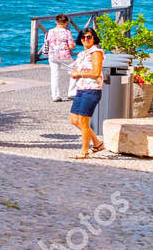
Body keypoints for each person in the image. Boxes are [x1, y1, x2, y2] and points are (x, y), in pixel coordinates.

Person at [69, 27, 106, 157]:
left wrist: (79, 73)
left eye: (89, 37)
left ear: (94, 38)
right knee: (74, 120)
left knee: (84, 122)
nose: (86, 40)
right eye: (83, 37)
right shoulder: (81, 54)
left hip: (92, 90)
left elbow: (96, 73)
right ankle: (97, 143)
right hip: (81, 89)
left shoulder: (96, 53)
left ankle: (84, 152)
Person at [43, 14, 76, 102]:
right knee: (74, 71)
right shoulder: (67, 32)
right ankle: (72, 93)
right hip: (64, 56)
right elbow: (72, 46)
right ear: (66, 22)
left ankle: (56, 96)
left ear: (56, 21)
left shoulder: (49, 31)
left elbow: (46, 43)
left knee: (54, 76)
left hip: (52, 56)